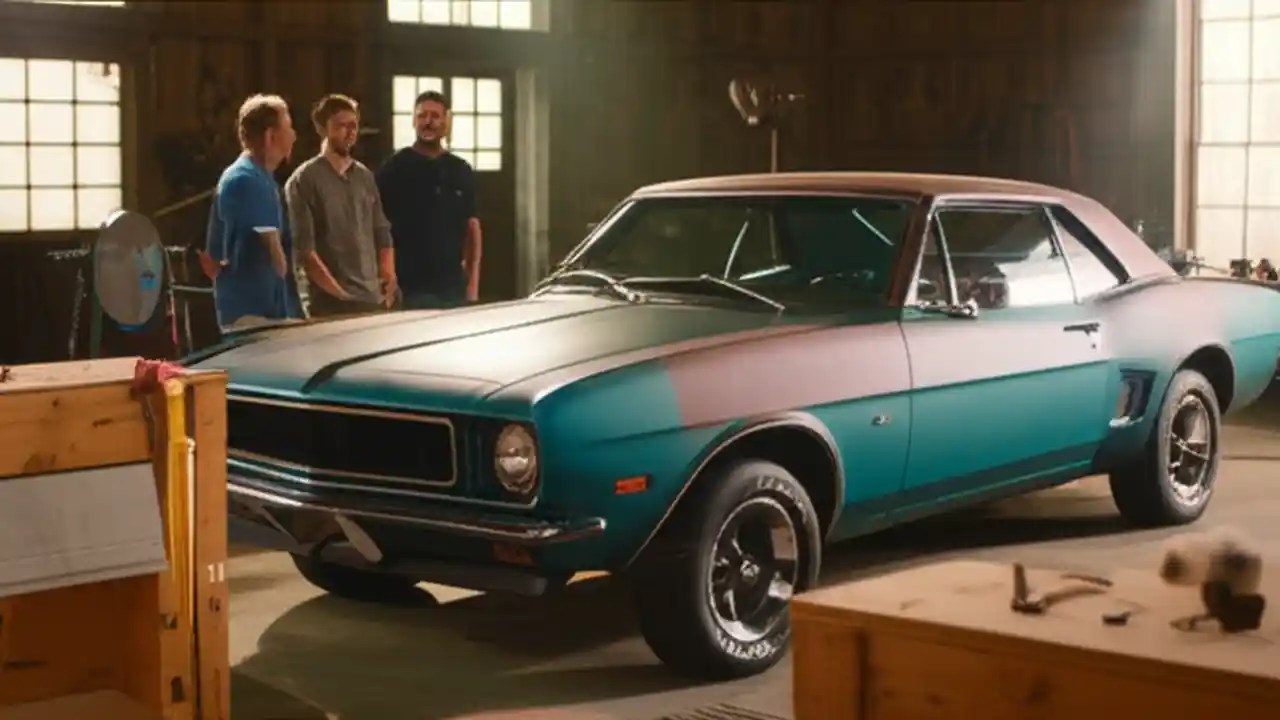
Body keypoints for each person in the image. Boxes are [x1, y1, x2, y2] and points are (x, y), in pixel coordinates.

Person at [284, 93, 397, 317]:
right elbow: (305, 250)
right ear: (322, 129)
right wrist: (340, 295)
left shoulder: (364, 176)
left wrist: (388, 277)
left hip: (371, 298)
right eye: (341, 126)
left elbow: (382, 232)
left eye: (353, 125)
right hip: (328, 303)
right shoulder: (304, 180)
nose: (350, 132)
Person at [202, 93, 302, 331]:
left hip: (258, 313)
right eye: (288, 128)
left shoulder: (259, 178)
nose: (294, 135)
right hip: (255, 318)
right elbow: (277, 259)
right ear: (270, 136)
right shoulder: (247, 180)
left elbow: (213, 258)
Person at [375, 90, 483, 309]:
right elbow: (378, 228)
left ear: (446, 121)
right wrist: (387, 279)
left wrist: (472, 285)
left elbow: (472, 229)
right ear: (414, 121)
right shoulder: (394, 168)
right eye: (422, 116)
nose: (428, 122)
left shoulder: (460, 169)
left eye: (435, 116)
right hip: (408, 286)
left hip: (452, 285)